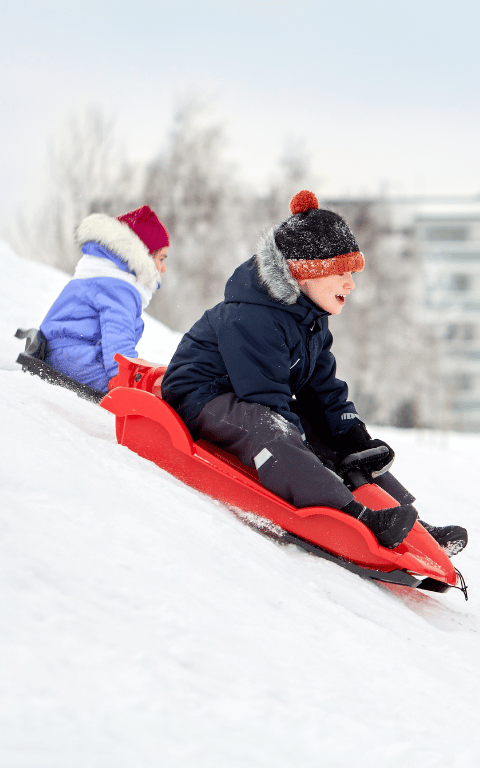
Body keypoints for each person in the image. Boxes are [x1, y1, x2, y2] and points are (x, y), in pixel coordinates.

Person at [161, 191, 467, 554]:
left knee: (339, 437)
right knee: (270, 428)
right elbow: (265, 400)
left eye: (352, 272)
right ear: (305, 272)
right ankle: (353, 515)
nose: (350, 283)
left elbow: (323, 389)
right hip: (202, 396)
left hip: (252, 395)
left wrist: (352, 435)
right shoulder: (253, 316)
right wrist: (310, 452)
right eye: (341, 272)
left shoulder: (310, 318)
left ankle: (412, 525)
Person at [40, 205, 169, 393]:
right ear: (145, 256)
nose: (163, 268)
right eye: (162, 259)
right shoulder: (120, 288)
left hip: (64, 353)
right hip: (78, 361)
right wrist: (129, 384)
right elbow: (118, 345)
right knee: (143, 394)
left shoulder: (102, 277)